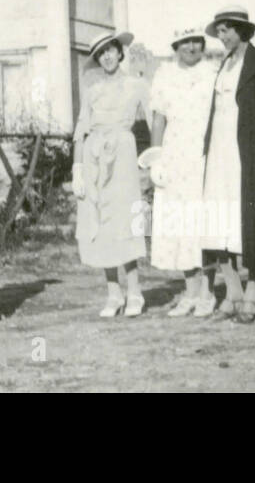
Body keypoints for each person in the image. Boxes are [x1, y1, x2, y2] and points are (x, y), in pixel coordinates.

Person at [201, 6, 255, 324]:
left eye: (226, 30)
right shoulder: (224, 66)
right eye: (219, 31)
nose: (221, 36)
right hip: (219, 153)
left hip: (246, 155)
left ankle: (253, 291)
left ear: (242, 30)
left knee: (249, 220)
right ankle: (232, 292)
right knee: (219, 219)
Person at [72, 30, 149, 317]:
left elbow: (156, 121)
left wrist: (156, 159)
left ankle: (135, 292)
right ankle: (113, 293)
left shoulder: (136, 85)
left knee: (124, 219)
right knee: (100, 221)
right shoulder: (92, 89)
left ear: (120, 52)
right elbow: (81, 128)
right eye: (100, 53)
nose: (106, 57)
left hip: (123, 155)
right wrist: (77, 168)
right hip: (94, 156)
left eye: (110, 50)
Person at [147, 27, 218, 316]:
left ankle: (208, 293)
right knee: (181, 225)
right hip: (175, 156)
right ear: (176, 45)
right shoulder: (164, 75)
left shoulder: (213, 72)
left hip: (205, 156)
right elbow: (159, 119)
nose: (191, 47)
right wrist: (156, 159)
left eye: (196, 42)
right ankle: (189, 292)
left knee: (204, 223)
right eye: (185, 42)